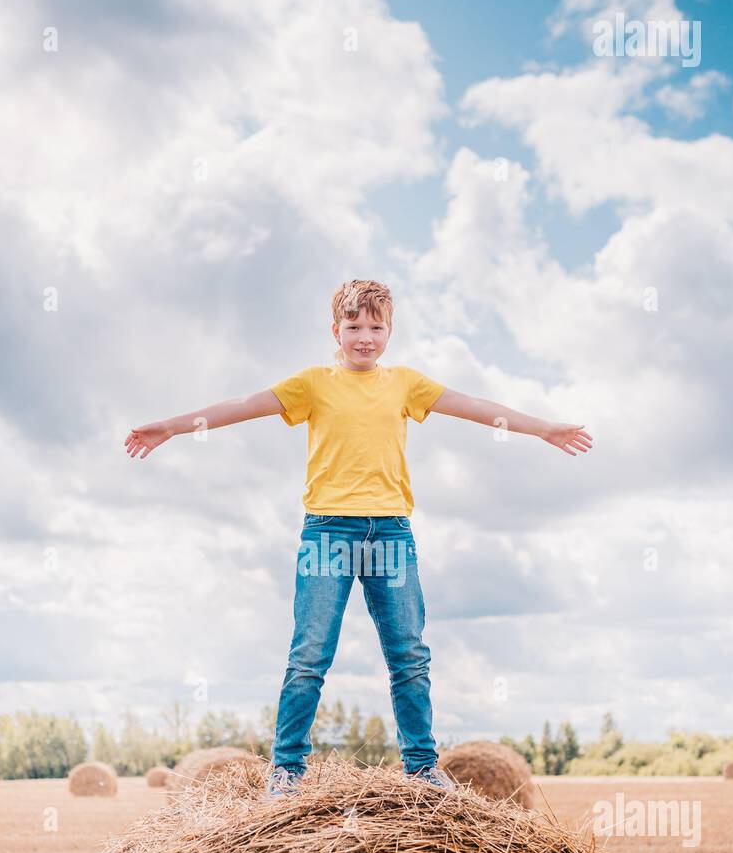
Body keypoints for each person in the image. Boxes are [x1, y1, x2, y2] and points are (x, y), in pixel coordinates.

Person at [124, 279, 592, 799]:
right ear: (336, 331)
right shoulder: (312, 385)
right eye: (354, 327)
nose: (364, 337)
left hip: (391, 530)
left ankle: (421, 766)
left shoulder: (406, 384)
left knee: (409, 656)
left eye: (375, 326)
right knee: (309, 656)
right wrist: (171, 426)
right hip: (327, 530)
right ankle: (287, 770)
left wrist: (544, 428)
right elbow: (242, 405)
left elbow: (475, 406)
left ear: (390, 331)